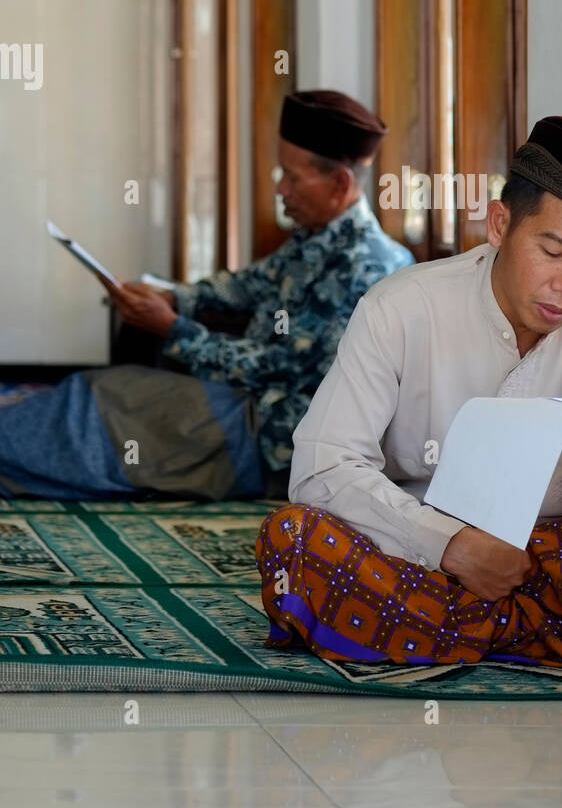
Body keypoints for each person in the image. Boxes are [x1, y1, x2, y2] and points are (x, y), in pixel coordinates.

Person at [256, 115, 562, 672]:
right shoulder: (402, 308)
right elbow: (321, 468)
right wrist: (451, 545)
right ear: (500, 224)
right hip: (413, 549)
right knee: (295, 540)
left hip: (554, 554)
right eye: (552, 253)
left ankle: (494, 628)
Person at [0, 90, 413, 501]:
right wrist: (173, 298)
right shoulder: (319, 239)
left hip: (271, 435)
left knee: (98, 412)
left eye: (292, 178)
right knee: (99, 394)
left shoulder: (362, 267)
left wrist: (175, 329)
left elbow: (280, 369)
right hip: (243, 404)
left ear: (339, 183)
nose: (280, 189)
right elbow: (247, 284)